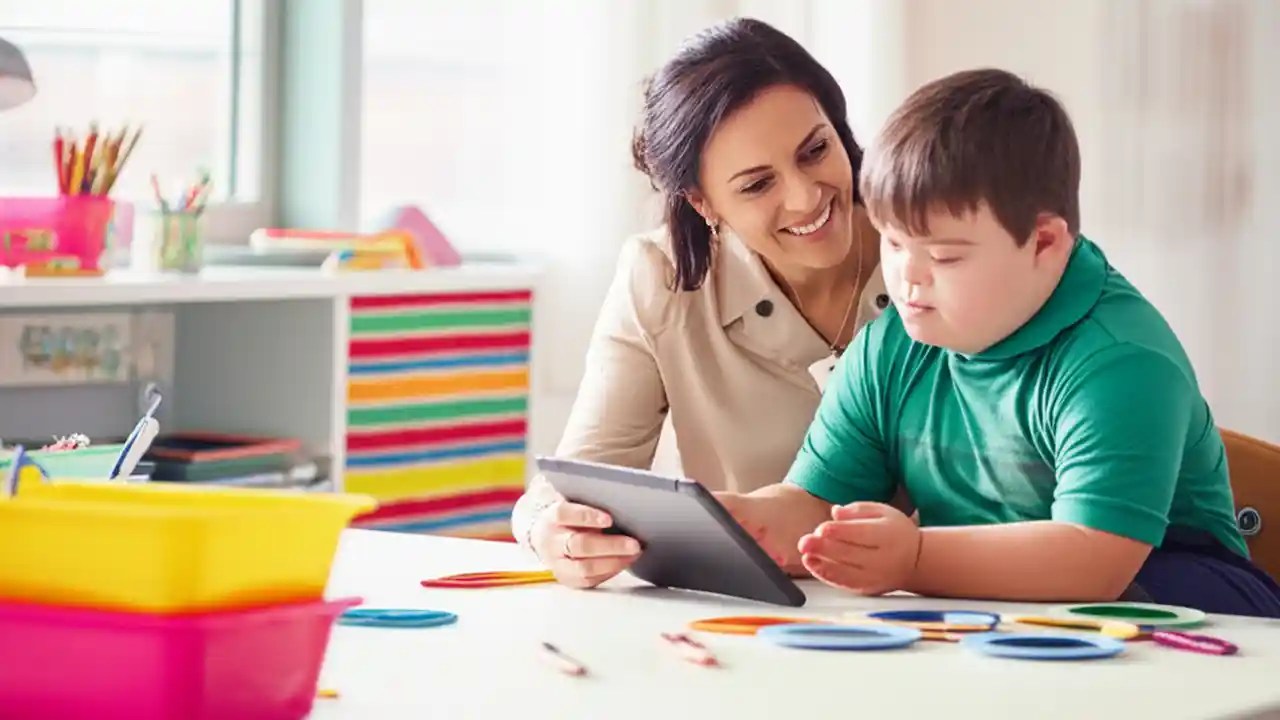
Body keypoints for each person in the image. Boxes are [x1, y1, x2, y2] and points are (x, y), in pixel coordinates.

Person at [719, 68, 1280, 617]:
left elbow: (1096, 558)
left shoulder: (1120, 360)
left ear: (1043, 243)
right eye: (892, 242)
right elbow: (817, 506)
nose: (908, 277)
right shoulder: (893, 344)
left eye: (944, 256)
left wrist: (913, 558)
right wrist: (731, 522)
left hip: (1188, 606)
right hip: (1009, 614)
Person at [509, 18, 890, 588]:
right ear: (701, 202)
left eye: (815, 150)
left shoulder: (935, 248)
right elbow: (574, 482)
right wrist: (551, 530)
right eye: (757, 185)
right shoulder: (658, 278)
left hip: (938, 604)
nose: (806, 196)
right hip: (749, 614)